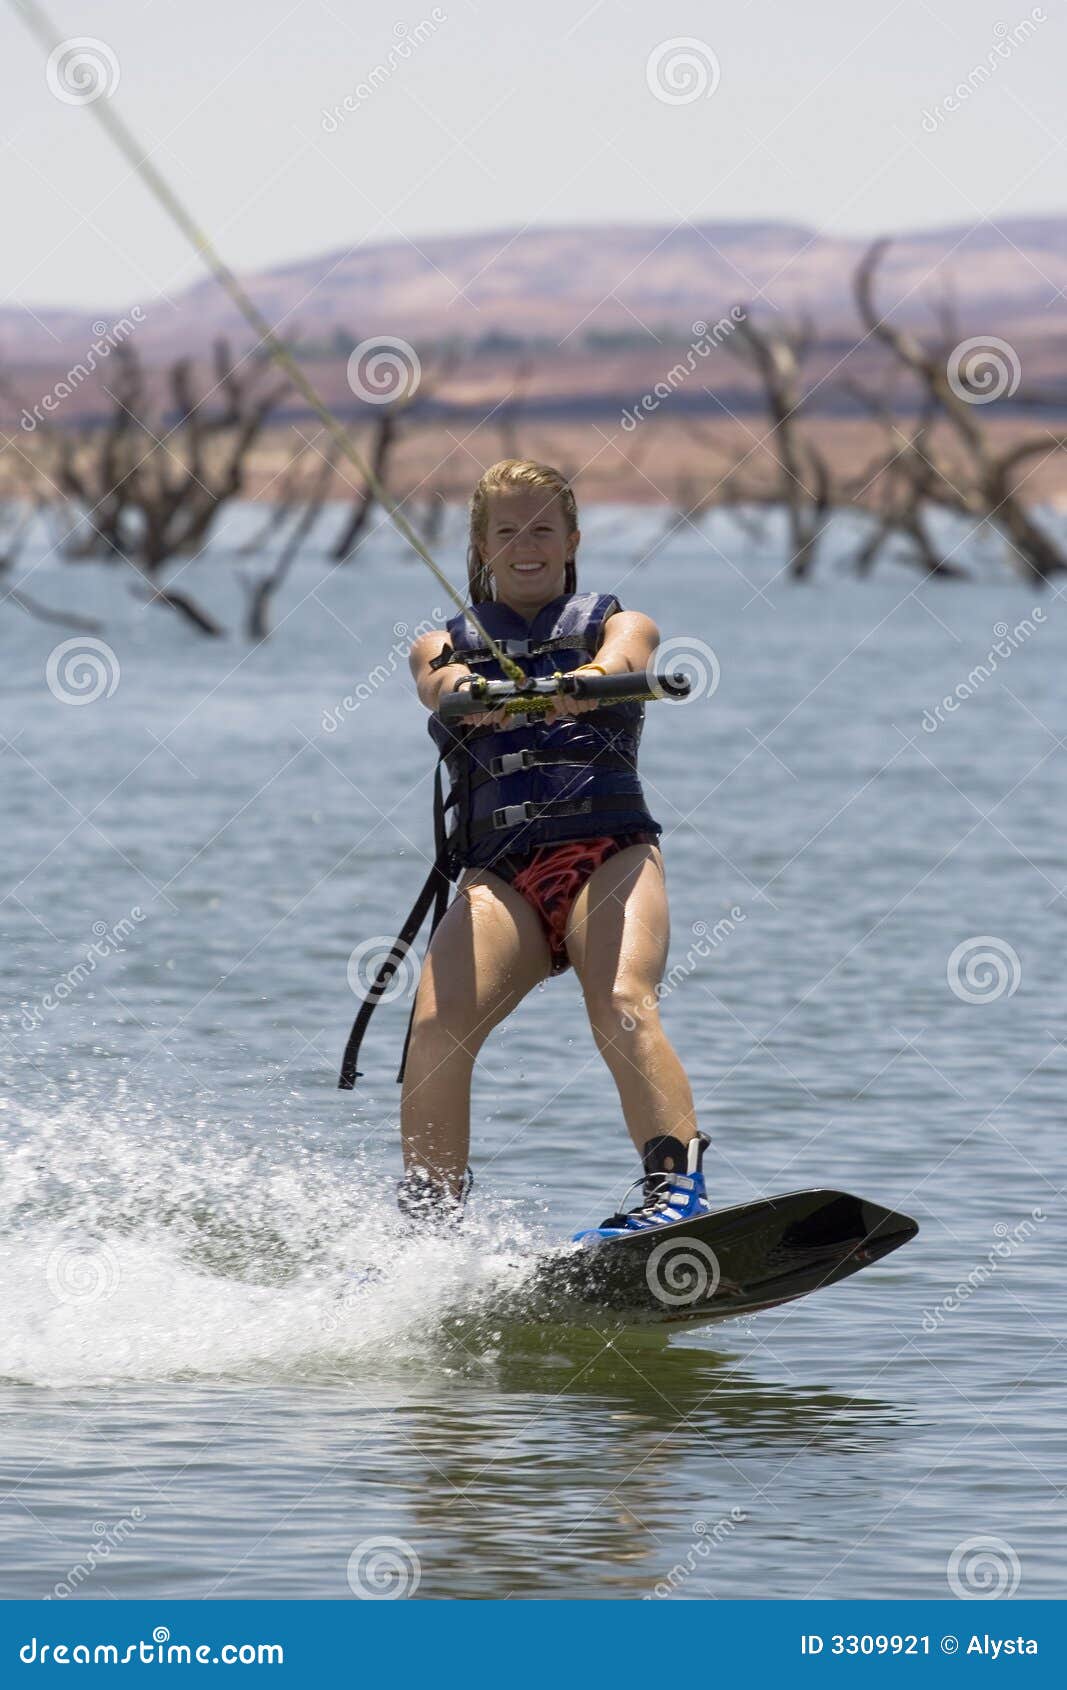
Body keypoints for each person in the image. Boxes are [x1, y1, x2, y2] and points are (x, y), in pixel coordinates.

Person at [399, 459, 710, 1236]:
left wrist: (590, 679)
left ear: (571, 537)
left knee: (621, 1002)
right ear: (480, 544)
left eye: (542, 528)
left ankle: (672, 1191)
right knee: (435, 1026)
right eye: (507, 531)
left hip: (608, 853)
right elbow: (437, 686)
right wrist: (470, 696)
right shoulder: (440, 644)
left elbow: (627, 661)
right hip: (501, 874)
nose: (526, 544)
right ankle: (430, 1225)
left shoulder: (617, 623)